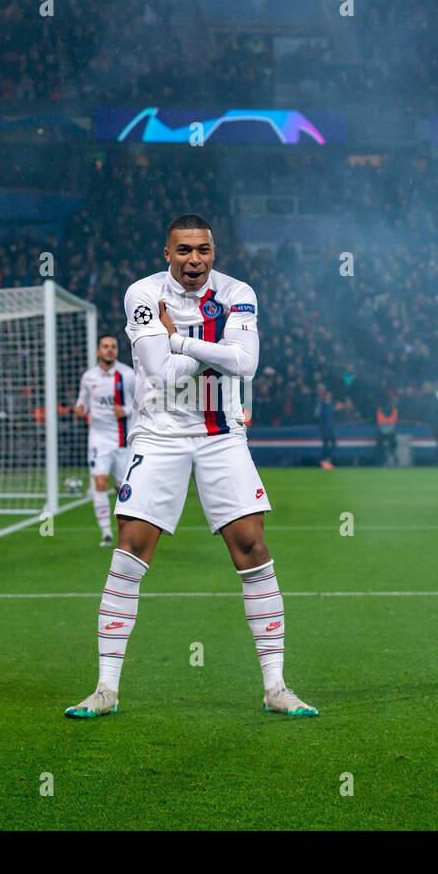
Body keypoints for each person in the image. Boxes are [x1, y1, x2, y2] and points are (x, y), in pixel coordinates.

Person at [65, 214, 317, 719]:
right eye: (183, 251)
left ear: (214, 251)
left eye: (202, 250)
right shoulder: (141, 293)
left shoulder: (238, 292)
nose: (193, 260)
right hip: (159, 432)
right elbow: (158, 372)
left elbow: (246, 363)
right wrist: (214, 346)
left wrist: (179, 337)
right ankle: (106, 689)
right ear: (167, 253)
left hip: (220, 433)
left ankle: (275, 687)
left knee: (252, 548)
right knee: (131, 548)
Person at [74, 335, 136, 547]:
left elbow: (141, 403)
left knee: (123, 489)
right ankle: (106, 533)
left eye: (113, 347)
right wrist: (80, 407)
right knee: (100, 482)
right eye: (105, 347)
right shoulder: (89, 377)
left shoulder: (127, 375)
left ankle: (126, 533)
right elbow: (82, 399)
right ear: (98, 351)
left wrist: (125, 410)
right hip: (98, 439)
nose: (110, 350)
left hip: (122, 440)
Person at [376, 394, 399, 467]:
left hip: (384, 435)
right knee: (391, 446)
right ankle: (391, 461)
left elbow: (380, 425)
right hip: (388, 434)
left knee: (383, 447)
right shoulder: (395, 411)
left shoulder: (379, 411)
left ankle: (384, 461)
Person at [316, 384, 336, 469]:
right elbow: (320, 416)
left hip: (329, 428)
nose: (330, 396)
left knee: (330, 444)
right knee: (328, 444)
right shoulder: (324, 405)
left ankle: (325, 461)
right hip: (326, 428)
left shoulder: (329, 404)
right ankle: (325, 461)